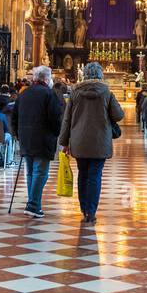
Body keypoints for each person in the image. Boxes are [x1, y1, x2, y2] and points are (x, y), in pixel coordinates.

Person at [57, 61, 125, 224]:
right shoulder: (106, 92)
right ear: (100, 75)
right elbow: (118, 115)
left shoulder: (75, 92)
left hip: (79, 140)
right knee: (95, 175)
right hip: (100, 140)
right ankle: (91, 211)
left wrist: (64, 142)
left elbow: (67, 119)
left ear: (85, 74)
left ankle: (83, 208)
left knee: (83, 174)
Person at [12, 66, 65, 218]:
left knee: (30, 173)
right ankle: (33, 205)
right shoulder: (50, 94)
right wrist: (56, 133)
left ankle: (33, 204)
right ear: (47, 79)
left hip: (25, 139)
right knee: (41, 172)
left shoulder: (24, 94)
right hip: (43, 139)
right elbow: (55, 117)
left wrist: (17, 134)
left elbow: (14, 117)